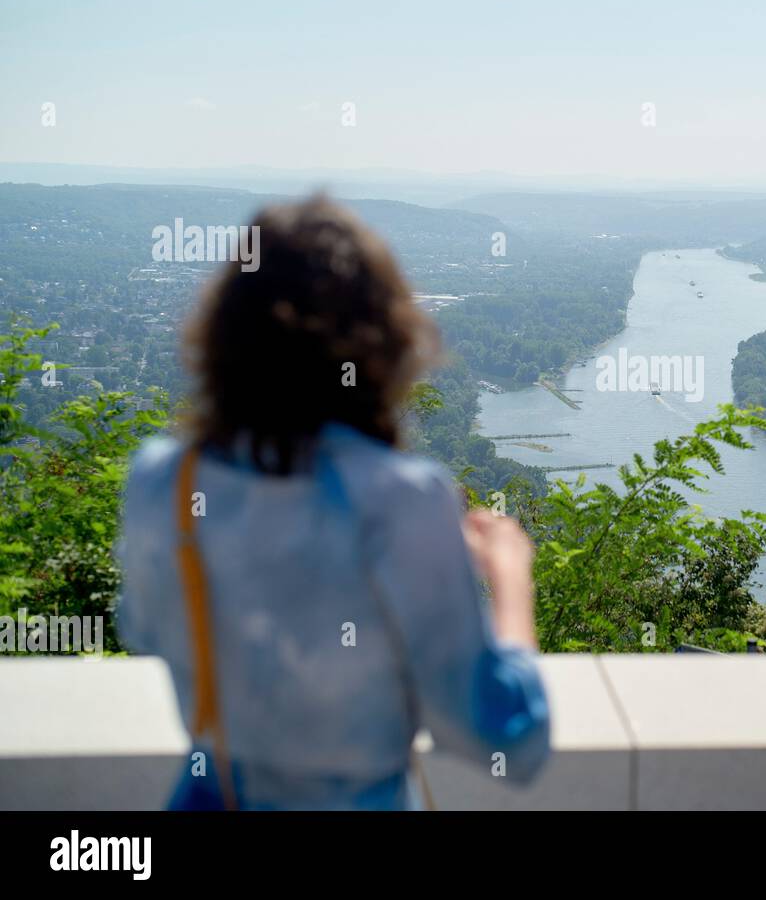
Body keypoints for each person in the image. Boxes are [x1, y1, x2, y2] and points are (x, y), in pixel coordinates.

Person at [115, 196, 549, 809]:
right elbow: (508, 739)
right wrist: (509, 572)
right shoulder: (401, 499)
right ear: (383, 342)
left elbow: (143, 626)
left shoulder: (163, 481)